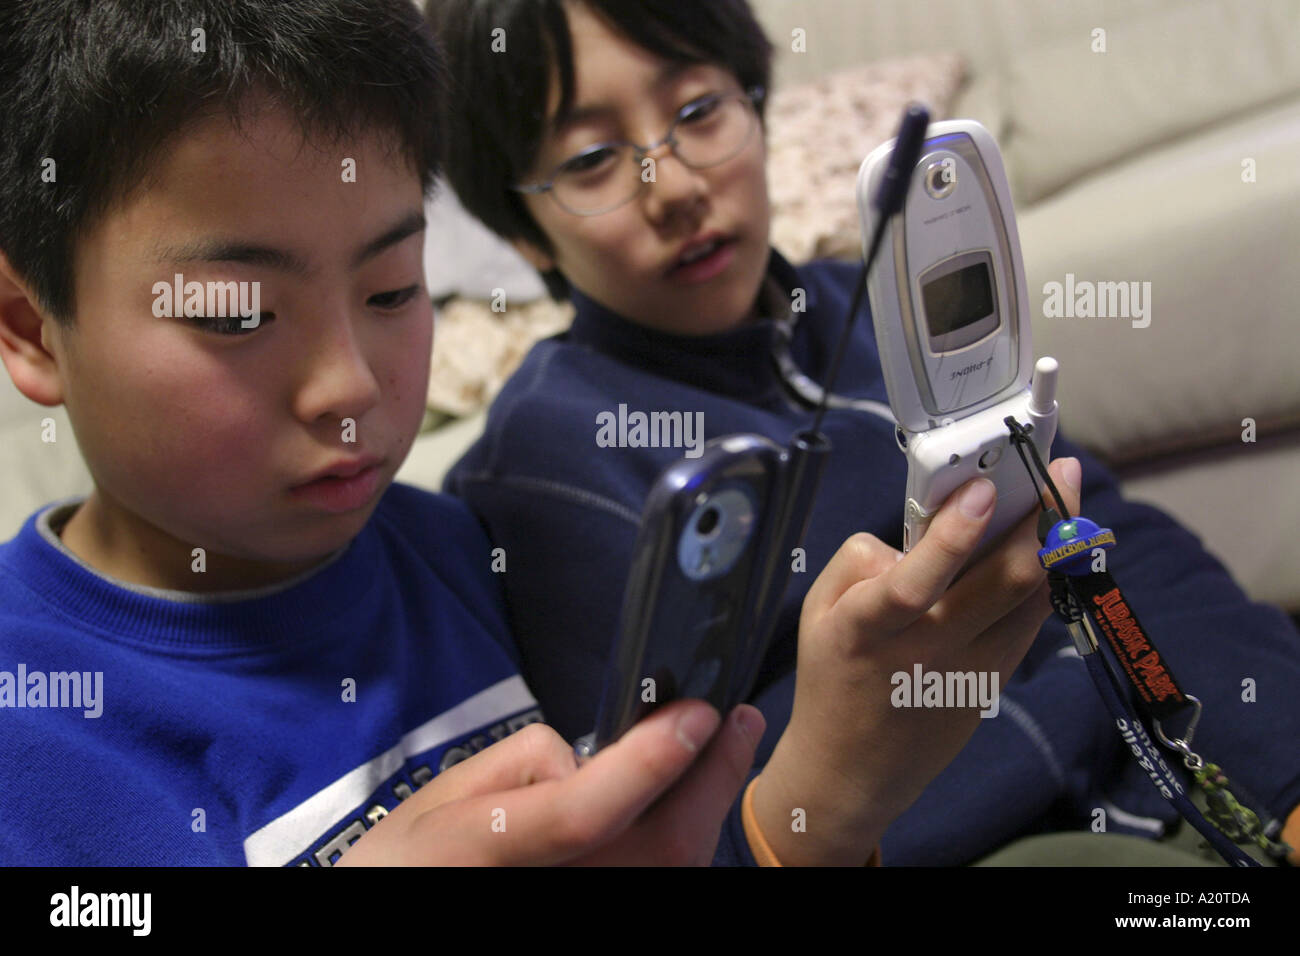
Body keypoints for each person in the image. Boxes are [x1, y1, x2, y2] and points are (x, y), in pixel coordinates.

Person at [0, 0, 1073, 867]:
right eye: (239, 313)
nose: (348, 386)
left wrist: (809, 811)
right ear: (31, 326)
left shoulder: (462, 556)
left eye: (389, 289)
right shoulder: (33, 729)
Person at [433, 0, 1300, 864]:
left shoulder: (868, 303)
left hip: (1155, 765)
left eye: (699, 111)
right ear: (524, 232)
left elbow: (1116, 546)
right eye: (591, 160)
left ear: (757, 103)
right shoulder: (545, 468)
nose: (679, 187)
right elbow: (649, 825)